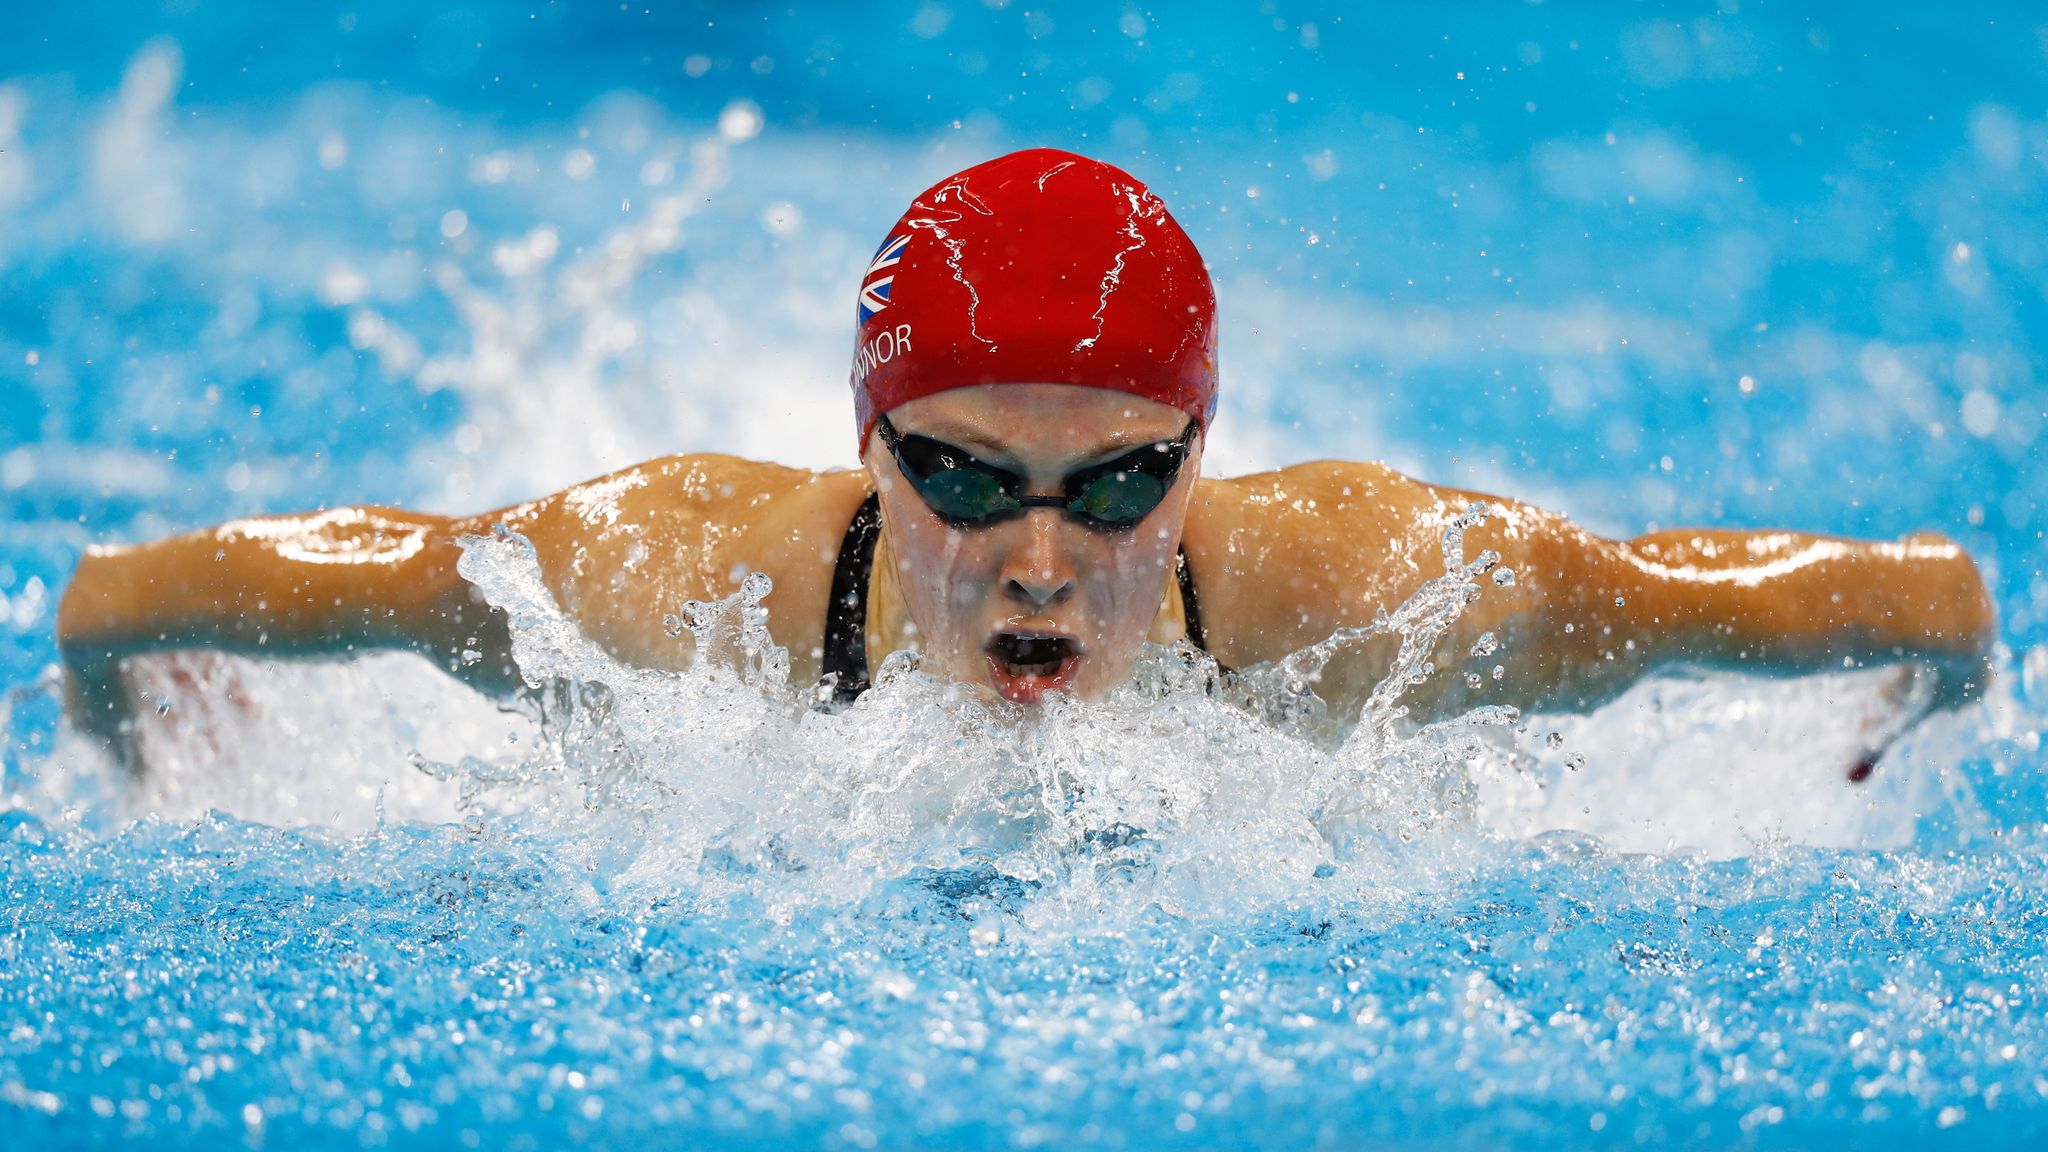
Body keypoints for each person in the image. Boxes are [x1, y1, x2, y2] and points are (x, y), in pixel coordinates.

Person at [56, 148, 1995, 767]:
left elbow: (1927, 602)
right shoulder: (678, 582)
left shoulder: (1369, 603)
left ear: (1201, 460)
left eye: (1119, 484)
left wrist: (1880, 745)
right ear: (870, 451)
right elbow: (114, 601)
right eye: (969, 483)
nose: (1040, 563)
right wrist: (151, 751)